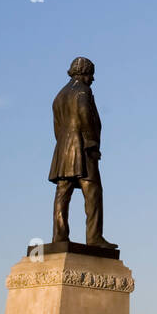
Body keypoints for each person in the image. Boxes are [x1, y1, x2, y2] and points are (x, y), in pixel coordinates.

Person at [48, 56, 115, 249]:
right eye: (91, 74)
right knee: (93, 192)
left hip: (63, 150)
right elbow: (86, 118)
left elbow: (57, 127)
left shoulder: (59, 96)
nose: (93, 79)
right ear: (84, 73)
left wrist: (64, 146)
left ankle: (59, 236)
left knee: (62, 193)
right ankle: (94, 237)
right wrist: (92, 143)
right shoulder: (83, 92)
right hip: (83, 149)